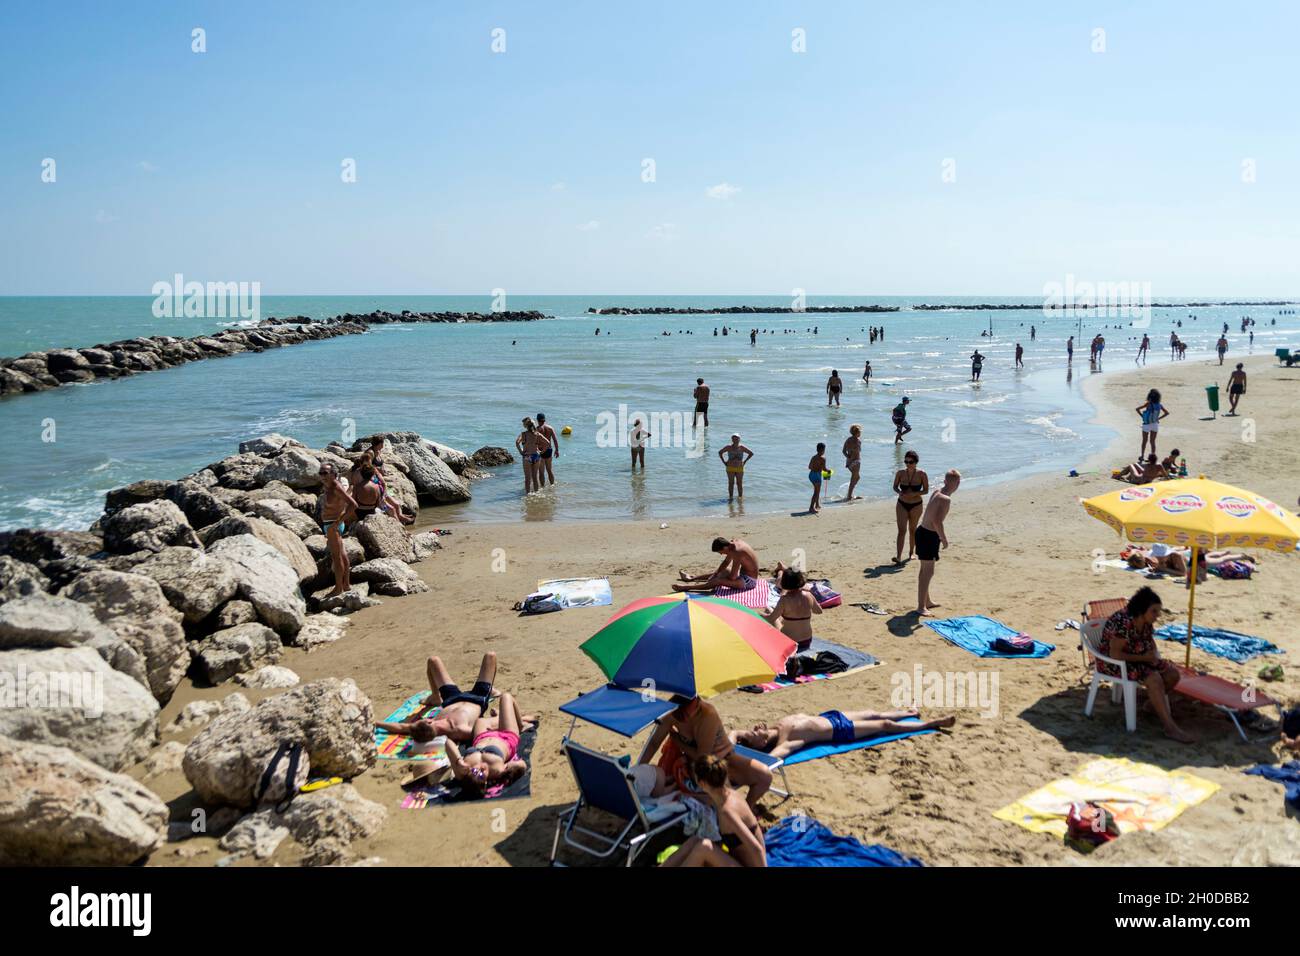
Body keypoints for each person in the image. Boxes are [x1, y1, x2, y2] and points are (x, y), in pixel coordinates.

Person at [1096, 587, 1194, 743]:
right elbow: (1115, 654)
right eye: (1154, 611)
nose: (1157, 616)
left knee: (1173, 674)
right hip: (1114, 663)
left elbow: (1149, 640)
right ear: (1142, 609)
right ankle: (1170, 728)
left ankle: (1151, 704)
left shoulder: (1145, 620)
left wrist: (1153, 656)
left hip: (1138, 657)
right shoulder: (1123, 622)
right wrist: (1144, 657)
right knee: (1154, 679)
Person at [641, 695, 771, 809]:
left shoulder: (707, 714)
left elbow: (702, 757)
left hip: (724, 759)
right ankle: (738, 818)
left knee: (764, 777)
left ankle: (747, 811)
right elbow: (653, 743)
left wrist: (678, 740)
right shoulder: (671, 712)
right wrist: (638, 767)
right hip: (701, 768)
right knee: (724, 801)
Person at [659, 755, 767, 867]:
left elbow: (756, 848)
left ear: (701, 784)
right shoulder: (727, 794)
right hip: (738, 859)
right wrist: (684, 795)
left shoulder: (727, 812)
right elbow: (709, 800)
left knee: (704, 847)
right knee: (695, 839)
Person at [732, 707, 955, 760]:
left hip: (831, 716)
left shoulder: (776, 725)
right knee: (885, 725)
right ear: (760, 744)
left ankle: (909, 711)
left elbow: (735, 732)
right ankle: (930, 724)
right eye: (752, 734)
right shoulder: (786, 741)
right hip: (839, 731)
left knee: (873, 713)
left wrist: (737, 736)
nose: (753, 729)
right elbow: (771, 760)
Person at [373, 652, 501, 744]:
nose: (426, 718)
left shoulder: (423, 727)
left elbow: (400, 728)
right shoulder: (460, 730)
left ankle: (435, 697)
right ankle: (490, 690)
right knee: (490, 656)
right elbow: (488, 731)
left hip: (451, 698)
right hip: (478, 697)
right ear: (429, 722)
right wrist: (496, 716)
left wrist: (375, 723)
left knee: (433, 660)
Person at [442, 691, 531, 792]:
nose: (480, 770)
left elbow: (448, 742)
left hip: (482, 736)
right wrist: (510, 768)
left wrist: (458, 760)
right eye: (481, 776)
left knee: (479, 721)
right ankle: (520, 724)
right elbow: (522, 764)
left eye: (475, 771)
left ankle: (500, 717)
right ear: (486, 782)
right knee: (506, 697)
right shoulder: (498, 771)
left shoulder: (461, 773)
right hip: (507, 736)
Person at [915, 469, 960, 616]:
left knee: (925, 571)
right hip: (928, 535)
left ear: (945, 481)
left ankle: (926, 601)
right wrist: (944, 539)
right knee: (927, 572)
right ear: (957, 484)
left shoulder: (937, 491)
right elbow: (937, 521)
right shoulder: (945, 499)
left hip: (921, 531)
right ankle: (921, 606)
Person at [318, 461, 359, 596]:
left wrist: (338, 522)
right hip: (331, 524)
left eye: (325, 473)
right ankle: (346, 585)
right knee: (342, 555)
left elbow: (353, 504)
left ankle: (338, 588)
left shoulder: (335, 487)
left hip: (332, 525)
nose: (322, 476)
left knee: (337, 558)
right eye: (320, 473)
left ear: (334, 474)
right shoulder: (328, 486)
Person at [674, 536, 760, 592]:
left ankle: (686, 588)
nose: (721, 554)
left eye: (721, 552)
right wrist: (716, 573)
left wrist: (718, 579)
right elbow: (726, 562)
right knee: (722, 571)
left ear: (725, 547)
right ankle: (692, 578)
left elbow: (733, 577)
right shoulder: (732, 544)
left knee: (718, 581)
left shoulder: (737, 552)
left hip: (749, 581)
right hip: (743, 575)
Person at [763, 566, 820, 648]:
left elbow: (771, 618)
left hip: (789, 642)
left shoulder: (784, 600)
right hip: (806, 641)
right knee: (786, 620)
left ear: (784, 582)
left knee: (768, 610)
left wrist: (757, 615)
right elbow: (818, 611)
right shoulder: (808, 595)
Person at [366, 436, 414, 525]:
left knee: (396, 504)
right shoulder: (370, 453)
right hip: (374, 482)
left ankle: (400, 516)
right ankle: (399, 524)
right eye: (382, 443)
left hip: (380, 481)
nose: (383, 445)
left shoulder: (378, 451)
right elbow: (367, 467)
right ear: (379, 444)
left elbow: (380, 464)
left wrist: (383, 471)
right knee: (390, 508)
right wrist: (378, 471)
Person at [893, 450, 929, 564]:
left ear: (916, 462)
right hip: (901, 504)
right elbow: (894, 487)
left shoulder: (922, 474)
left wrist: (915, 494)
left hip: (916, 505)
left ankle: (911, 553)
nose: (908, 464)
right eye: (906, 461)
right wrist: (899, 491)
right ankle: (898, 556)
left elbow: (926, 490)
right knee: (901, 531)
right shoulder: (900, 473)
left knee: (912, 530)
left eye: (910, 462)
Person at [515, 417, 550, 494]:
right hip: (536, 456)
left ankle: (527, 496)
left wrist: (521, 452)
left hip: (527, 456)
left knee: (527, 478)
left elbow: (517, 443)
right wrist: (541, 452)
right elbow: (547, 443)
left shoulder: (523, 434)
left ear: (526, 426)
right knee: (535, 477)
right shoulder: (537, 434)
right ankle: (536, 494)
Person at [718, 433, 753, 501]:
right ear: (732, 439)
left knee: (739, 483)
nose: (735, 440)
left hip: (739, 468)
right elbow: (720, 452)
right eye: (734, 438)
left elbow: (751, 453)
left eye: (737, 438)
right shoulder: (728, 447)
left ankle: (740, 498)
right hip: (730, 467)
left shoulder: (742, 447)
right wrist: (724, 462)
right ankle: (730, 498)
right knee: (731, 483)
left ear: (739, 439)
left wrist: (744, 462)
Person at [1136, 389, 1169, 459]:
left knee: (1144, 441)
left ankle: (1142, 456)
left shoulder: (1148, 404)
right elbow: (1167, 413)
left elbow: (1137, 409)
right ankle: (1152, 457)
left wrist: (1142, 416)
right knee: (1152, 442)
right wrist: (1158, 418)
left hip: (1146, 424)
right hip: (1155, 424)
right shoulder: (1159, 405)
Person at [536, 413, 560, 485]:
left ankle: (542, 487)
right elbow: (555, 440)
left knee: (541, 472)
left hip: (540, 451)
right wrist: (557, 450)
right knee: (549, 470)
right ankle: (552, 485)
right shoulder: (550, 428)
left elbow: (535, 442)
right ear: (544, 419)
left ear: (537, 420)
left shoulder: (537, 429)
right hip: (549, 450)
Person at [842, 424, 863, 499]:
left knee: (857, 478)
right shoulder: (858, 441)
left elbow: (843, 451)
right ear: (857, 433)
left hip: (849, 462)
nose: (860, 434)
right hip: (856, 461)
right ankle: (849, 496)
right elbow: (858, 450)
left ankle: (849, 493)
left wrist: (848, 456)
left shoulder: (848, 440)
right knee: (854, 478)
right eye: (860, 432)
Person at [807, 443, 827, 514]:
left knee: (817, 490)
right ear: (823, 450)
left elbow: (809, 467)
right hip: (817, 475)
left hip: (811, 474)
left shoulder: (813, 457)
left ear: (817, 449)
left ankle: (817, 504)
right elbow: (824, 469)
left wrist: (815, 467)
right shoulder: (823, 459)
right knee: (816, 492)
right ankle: (811, 508)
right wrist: (828, 471)